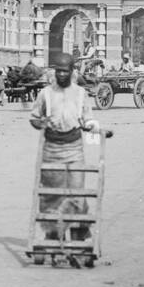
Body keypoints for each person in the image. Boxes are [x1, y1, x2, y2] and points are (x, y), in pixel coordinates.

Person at [29, 53, 99, 240]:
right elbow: (34, 118)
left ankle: (78, 233)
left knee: (76, 192)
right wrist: (41, 123)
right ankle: (52, 234)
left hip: (74, 148)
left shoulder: (80, 94)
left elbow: (88, 117)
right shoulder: (45, 94)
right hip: (51, 148)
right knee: (51, 193)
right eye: (58, 71)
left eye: (64, 71)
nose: (61, 75)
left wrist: (92, 127)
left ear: (71, 72)